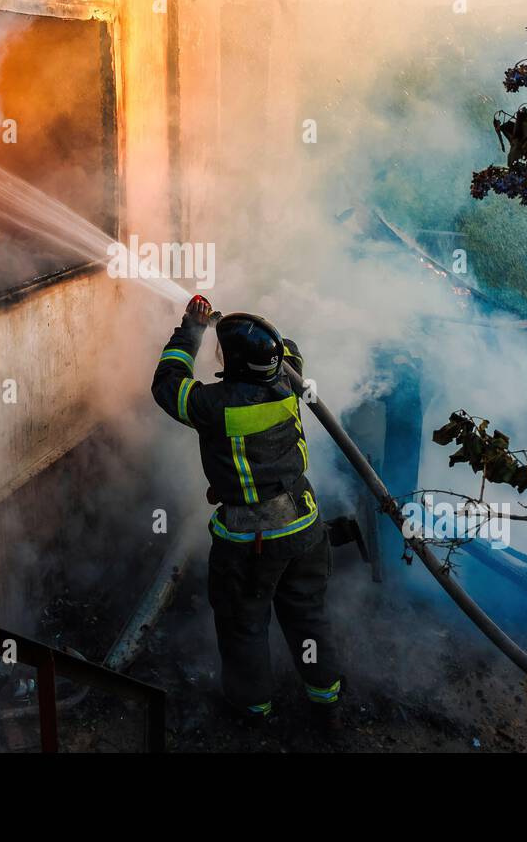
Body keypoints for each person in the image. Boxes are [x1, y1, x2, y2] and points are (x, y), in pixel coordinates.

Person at [152, 294, 343, 728]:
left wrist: (192, 329)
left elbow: (167, 383)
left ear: (234, 363)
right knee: (307, 613)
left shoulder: (214, 406)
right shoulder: (289, 380)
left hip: (252, 540)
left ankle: (252, 711)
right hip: (304, 525)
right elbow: (288, 347)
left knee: (244, 624)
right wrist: (252, 330)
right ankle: (327, 703)